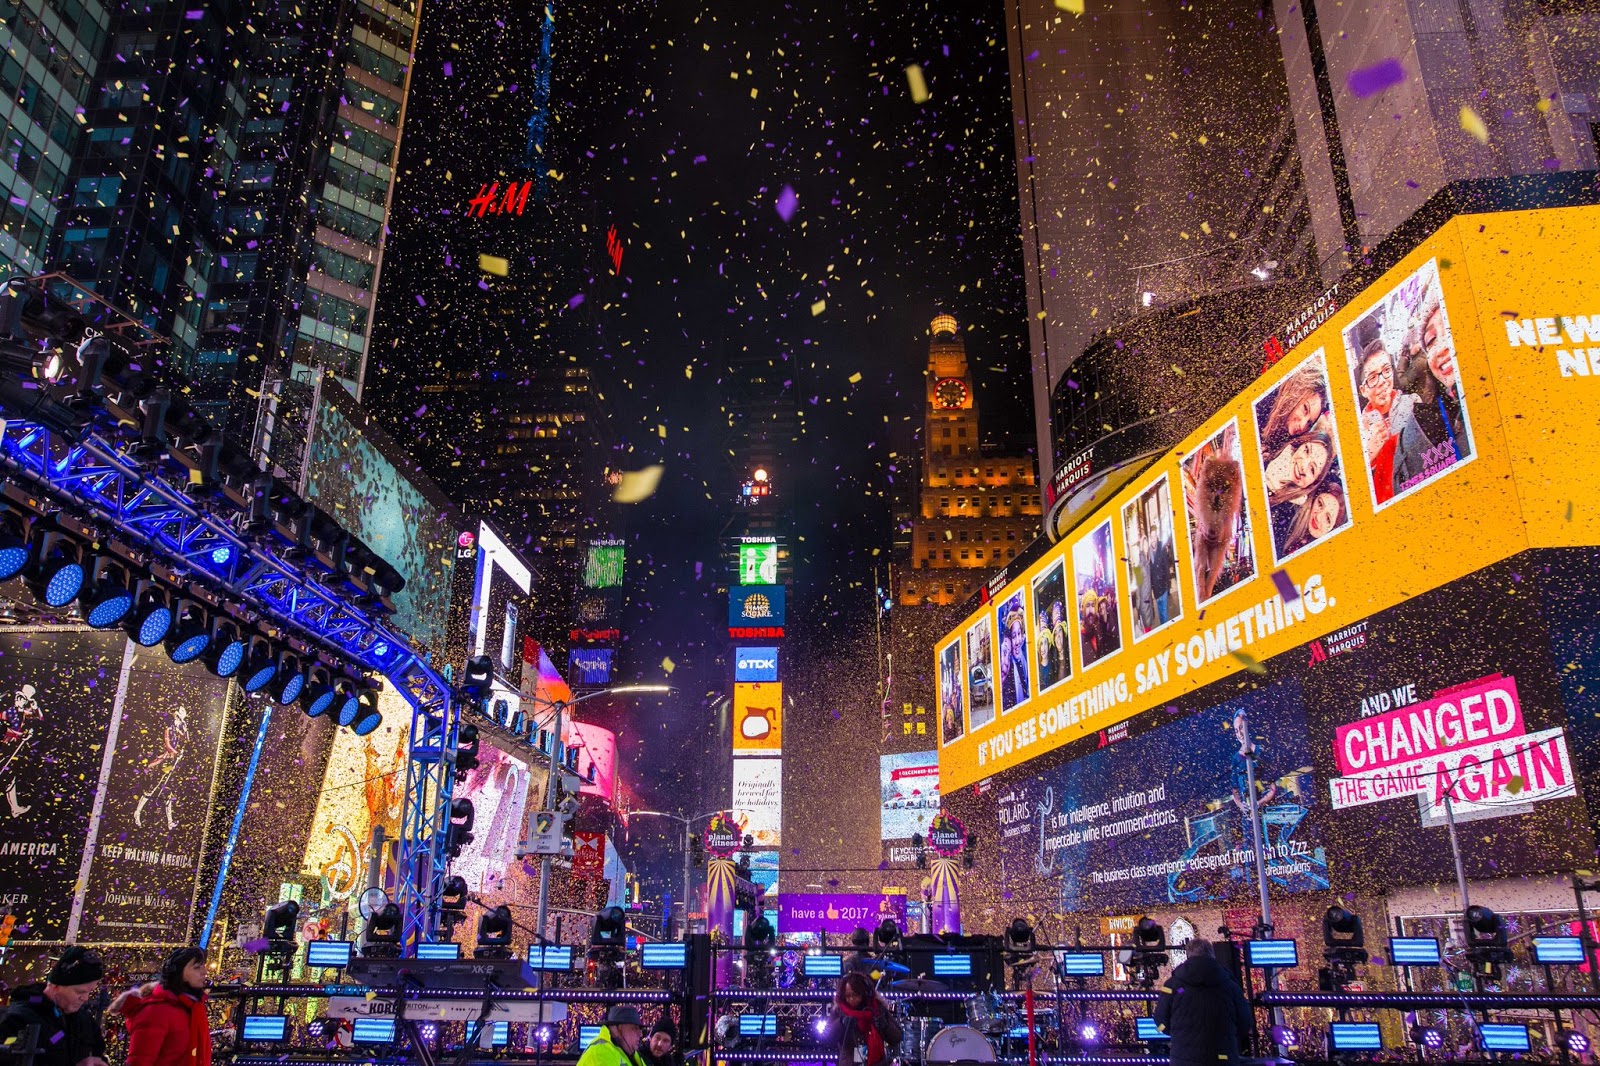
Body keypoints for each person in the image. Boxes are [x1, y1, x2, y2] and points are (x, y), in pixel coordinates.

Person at [0, 947, 108, 1066]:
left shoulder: (84, 1020)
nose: (85, 998)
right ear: (55, 986)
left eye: (90, 992)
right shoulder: (18, 1019)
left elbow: (98, 1053)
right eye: (79, 992)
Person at [1152, 938, 1253, 1066]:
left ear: (1188, 955)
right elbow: (1245, 1022)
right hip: (1223, 1057)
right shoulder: (1230, 985)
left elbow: (1160, 1021)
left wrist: (1177, 1035)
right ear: (1212, 954)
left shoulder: (1171, 985)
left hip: (1183, 1058)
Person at [1355, 340, 1431, 497]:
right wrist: (1367, 456)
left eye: (1386, 370)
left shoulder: (1412, 403)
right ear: (1363, 390)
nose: (1382, 381)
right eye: (1372, 377)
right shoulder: (1358, 432)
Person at [116, 947, 211, 1066]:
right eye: (197, 967)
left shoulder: (193, 1007)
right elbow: (139, 1061)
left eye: (203, 966)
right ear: (178, 972)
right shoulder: (157, 1011)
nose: (204, 971)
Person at [822, 973, 903, 1066]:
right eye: (847, 996)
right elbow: (826, 1039)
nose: (851, 999)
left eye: (855, 995)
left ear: (864, 993)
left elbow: (897, 1038)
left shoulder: (877, 1008)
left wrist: (885, 1026)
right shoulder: (839, 1011)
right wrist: (840, 1023)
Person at [1258, 363, 1328, 454]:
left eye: (1309, 423)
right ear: (1295, 393)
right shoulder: (1261, 404)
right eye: (1305, 409)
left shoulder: (1286, 442)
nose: (1303, 426)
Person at [577, 1005, 648, 1066]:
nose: (640, 1034)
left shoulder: (631, 1053)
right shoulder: (600, 1054)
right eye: (635, 1028)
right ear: (619, 1028)